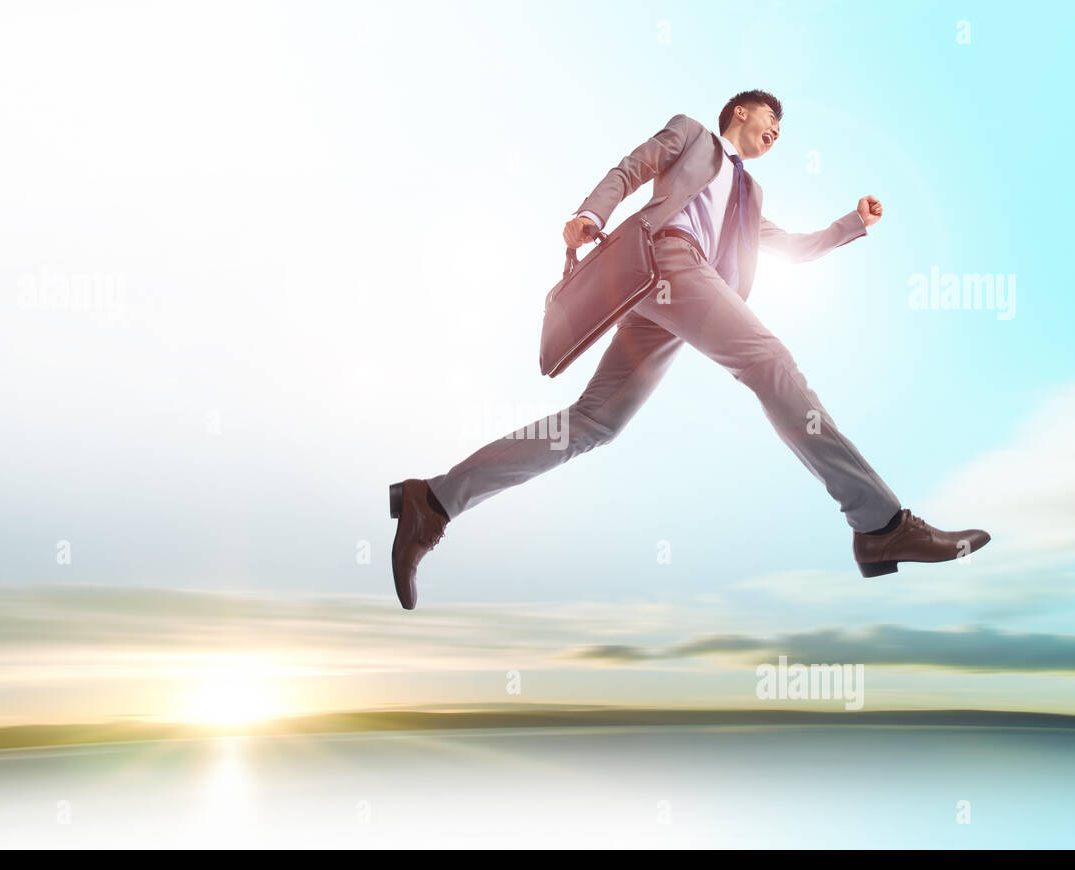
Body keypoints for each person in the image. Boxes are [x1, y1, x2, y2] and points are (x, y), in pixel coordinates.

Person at [389, 89, 989, 610]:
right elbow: (632, 168)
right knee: (769, 362)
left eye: (781, 129)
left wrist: (851, 223)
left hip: (675, 297)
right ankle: (880, 523)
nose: (776, 131)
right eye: (771, 117)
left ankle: (434, 499)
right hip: (663, 256)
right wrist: (589, 214)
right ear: (740, 112)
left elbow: (790, 246)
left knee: (594, 422)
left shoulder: (751, 194)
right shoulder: (693, 135)